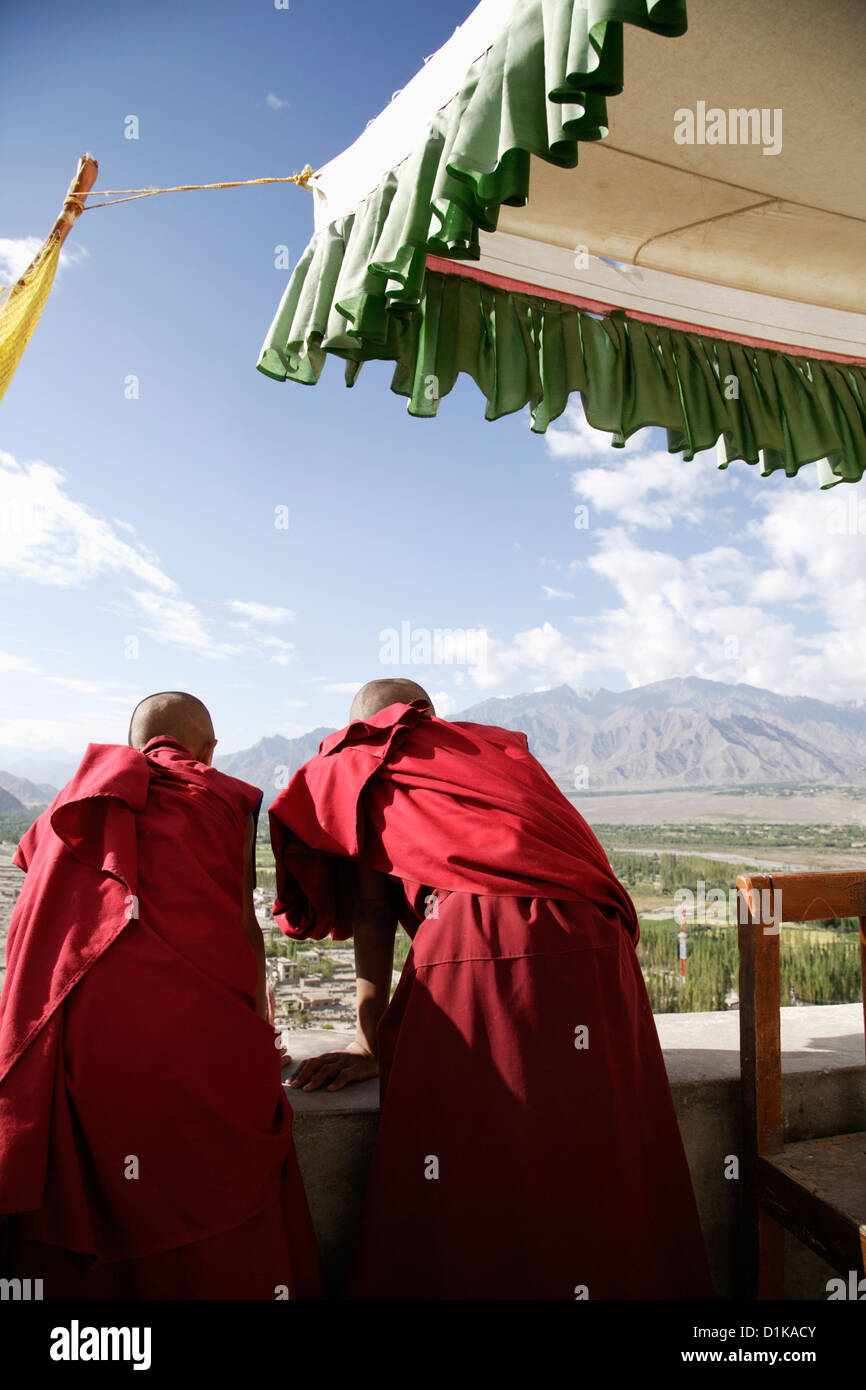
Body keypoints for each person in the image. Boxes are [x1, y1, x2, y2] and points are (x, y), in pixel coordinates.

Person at [270, 678, 713, 1300]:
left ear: (357, 729)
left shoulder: (360, 763)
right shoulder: (489, 754)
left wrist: (373, 1044)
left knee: (461, 1155)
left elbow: (372, 914)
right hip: (593, 941)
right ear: (430, 715)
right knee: (605, 1143)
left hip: (476, 944)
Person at [0, 691, 320, 1300]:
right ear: (209, 748)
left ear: (133, 741)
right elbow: (244, 926)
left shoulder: (69, 806)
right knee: (212, 1194)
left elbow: (36, 936)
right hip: (198, 1041)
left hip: (83, 1043)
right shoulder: (223, 795)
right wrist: (257, 1032)